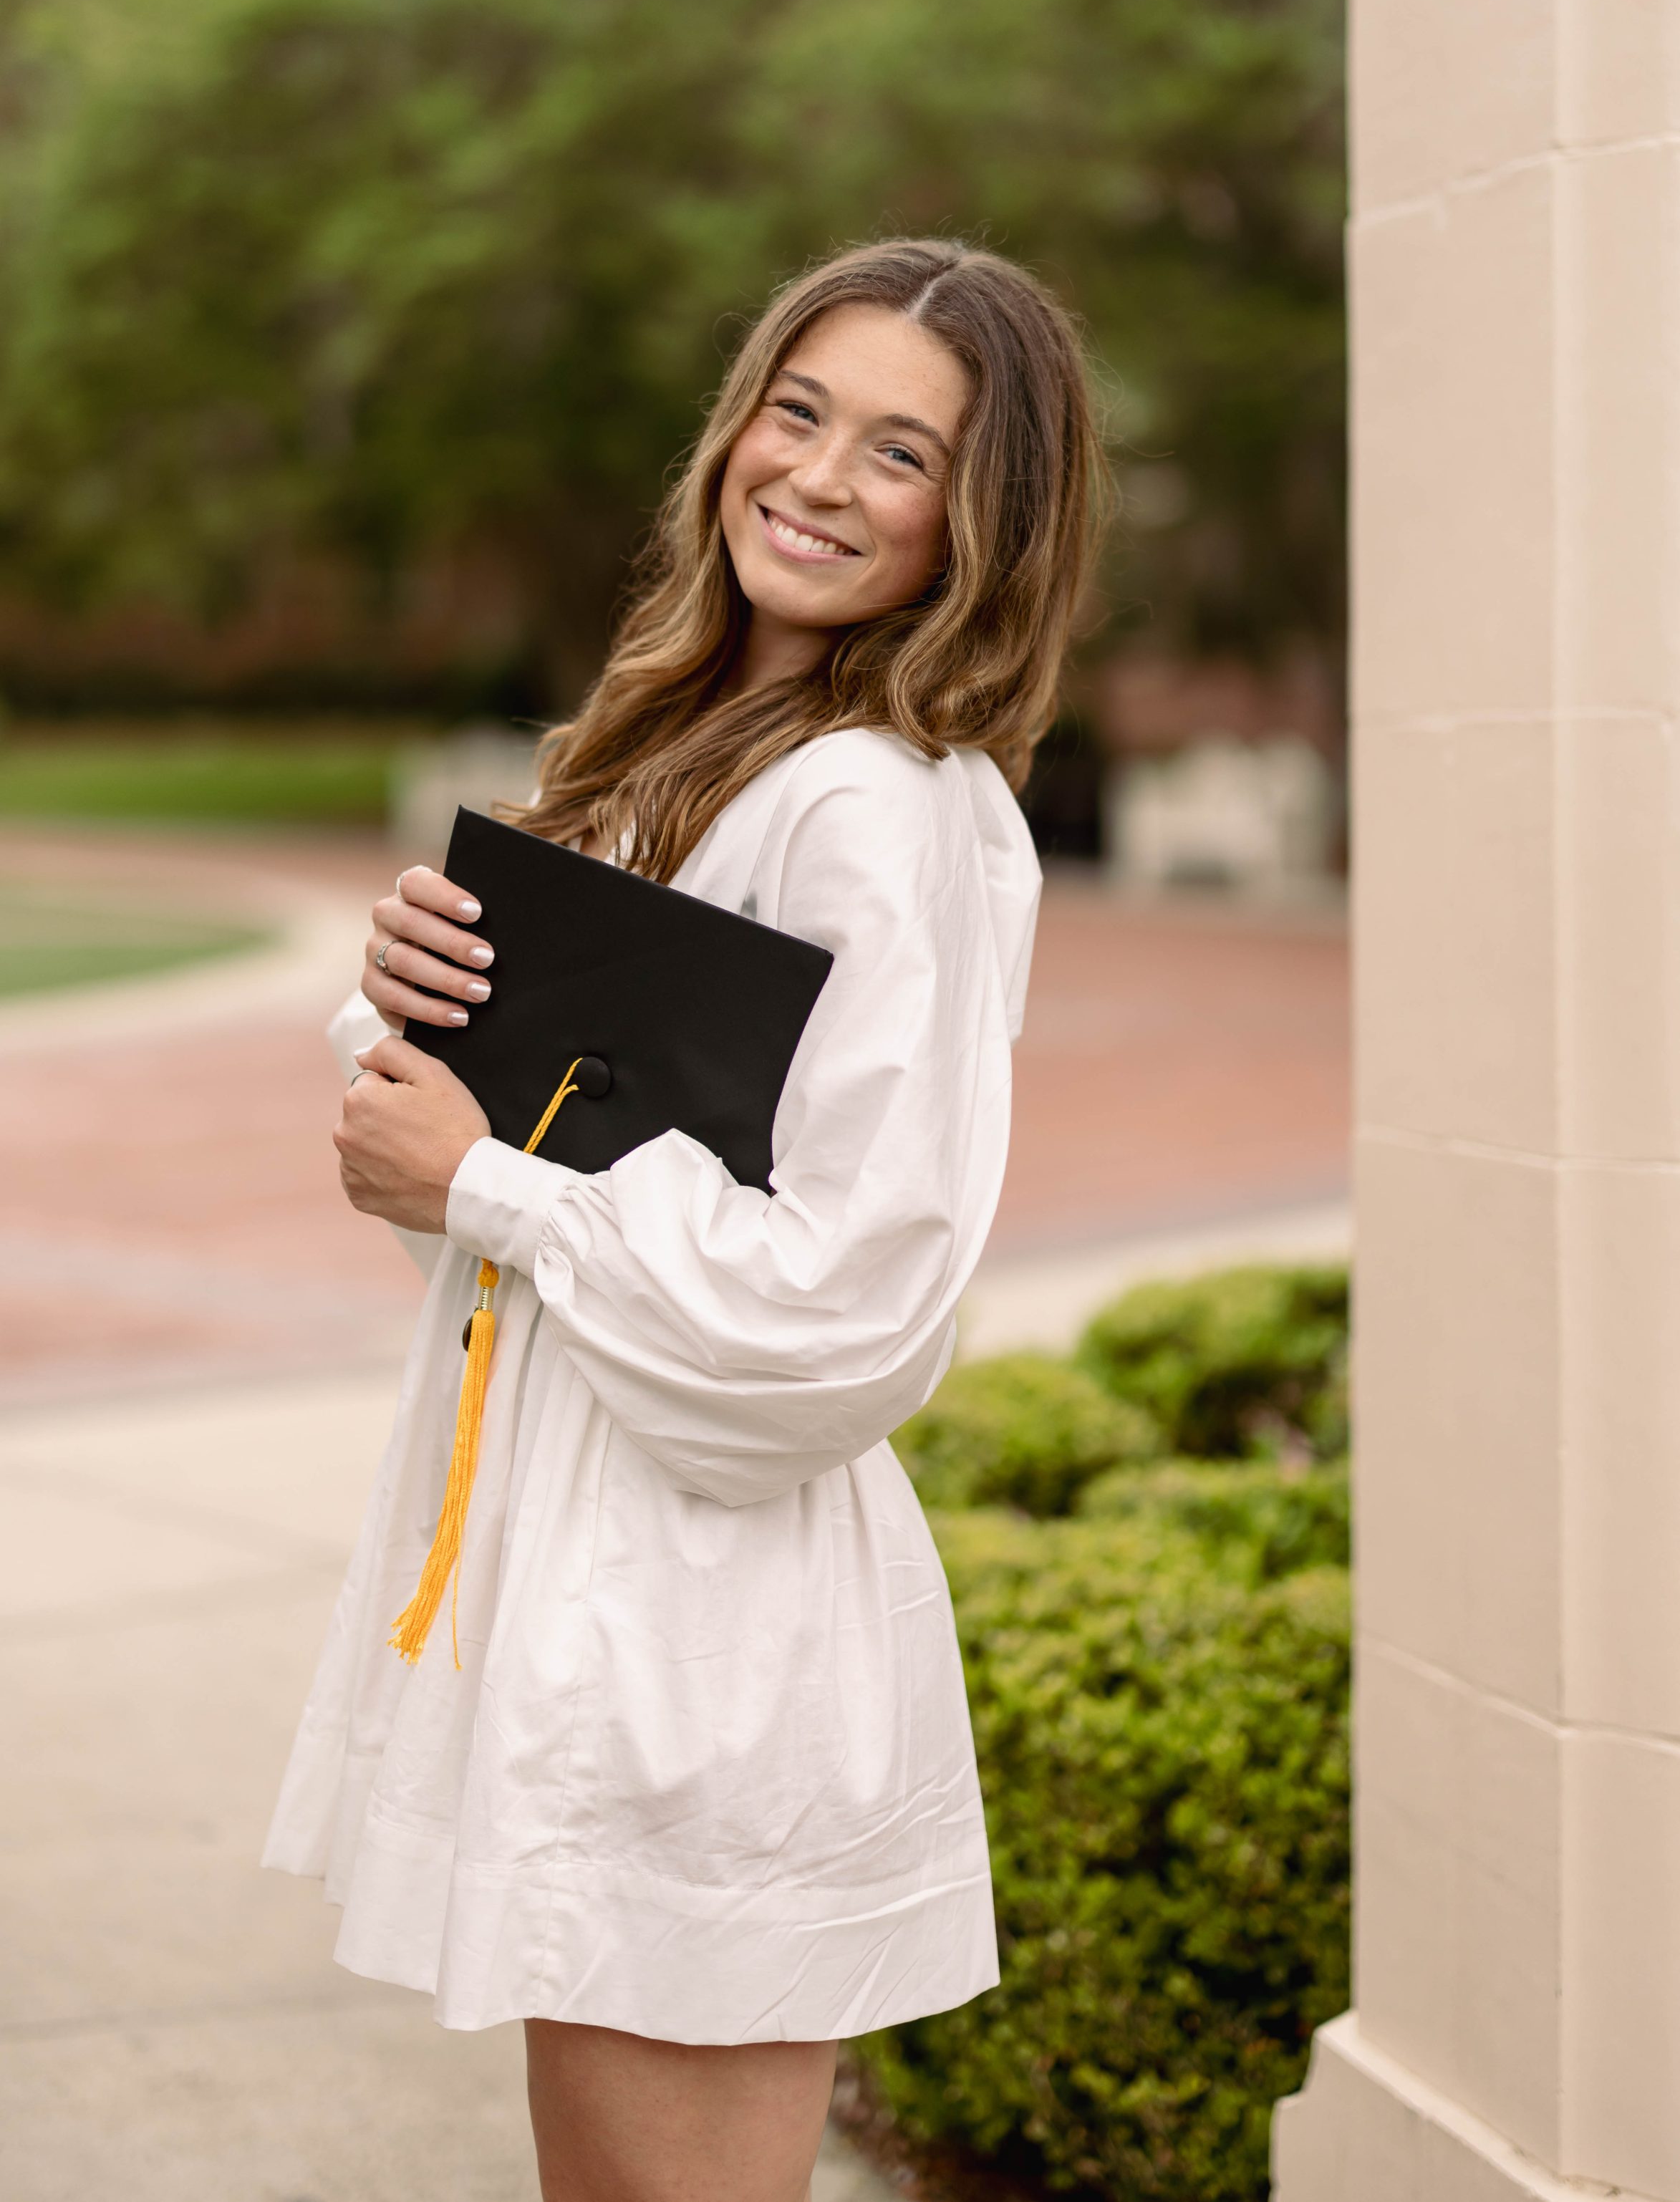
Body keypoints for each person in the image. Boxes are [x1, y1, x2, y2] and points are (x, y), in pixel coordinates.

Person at [264, 237, 1107, 2202]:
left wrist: (479, 1176)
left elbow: (852, 1308)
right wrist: (421, 1029)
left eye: (901, 452)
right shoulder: (702, 745)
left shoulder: (879, 812)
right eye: (798, 410)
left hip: (710, 1625)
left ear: (981, 525)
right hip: (613, 1579)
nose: (815, 475)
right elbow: (591, 1179)